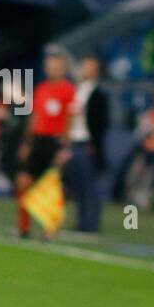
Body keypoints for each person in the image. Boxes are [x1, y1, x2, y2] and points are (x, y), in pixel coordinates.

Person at [16, 45, 76, 238]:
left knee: (52, 187)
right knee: (23, 182)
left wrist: (64, 147)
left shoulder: (68, 91)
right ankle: (23, 227)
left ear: (62, 69)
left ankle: (50, 229)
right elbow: (34, 116)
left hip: (54, 142)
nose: (50, 69)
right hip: (38, 141)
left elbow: (69, 119)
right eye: (48, 66)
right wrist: (27, 142)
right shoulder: (41, 88)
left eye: (54, 66)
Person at [63, 54, 109, 233]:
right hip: (73, 142)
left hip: (87, 143)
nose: (85, 70)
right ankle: (81, 223)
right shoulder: (75, 90)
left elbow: (101, 123)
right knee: (78, 186)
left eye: (89, 67)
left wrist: (94, 143)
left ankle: (91, 224)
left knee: (90, 187)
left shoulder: (99, 95)